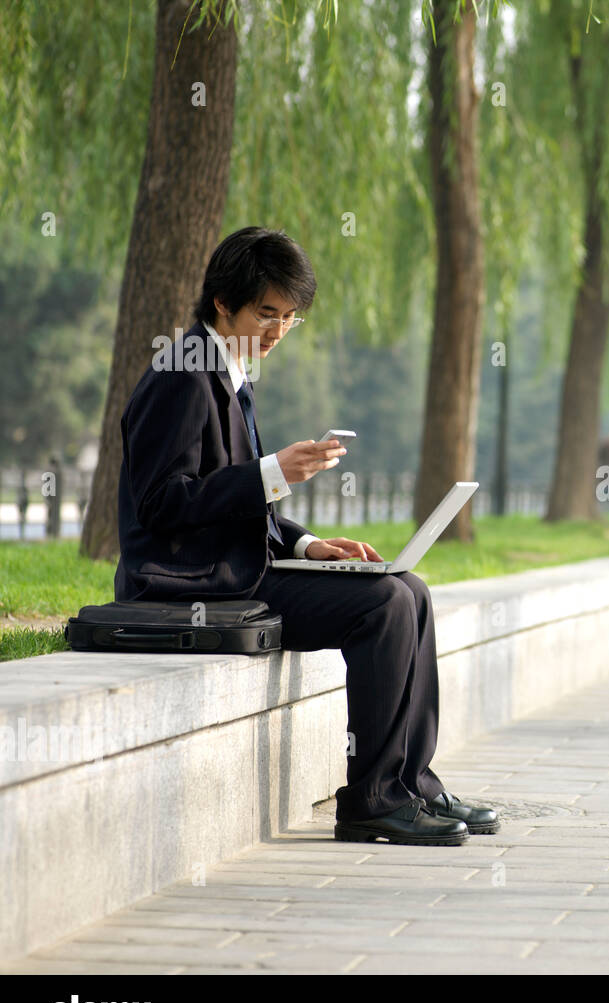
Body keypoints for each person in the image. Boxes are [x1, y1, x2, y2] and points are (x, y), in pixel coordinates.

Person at [114, 226, 496, 846]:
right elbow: (160, 505)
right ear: (222, 302)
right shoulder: (181, 376)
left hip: (241, 567)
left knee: (409, 589)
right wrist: (270, 473)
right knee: (384, 605)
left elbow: (233, 500)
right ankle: (373, 800)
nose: (278, 331)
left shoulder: (229, 371)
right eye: (267, 314)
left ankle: (413, 784)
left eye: (290, 318)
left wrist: (307, 544)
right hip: (192, 585)